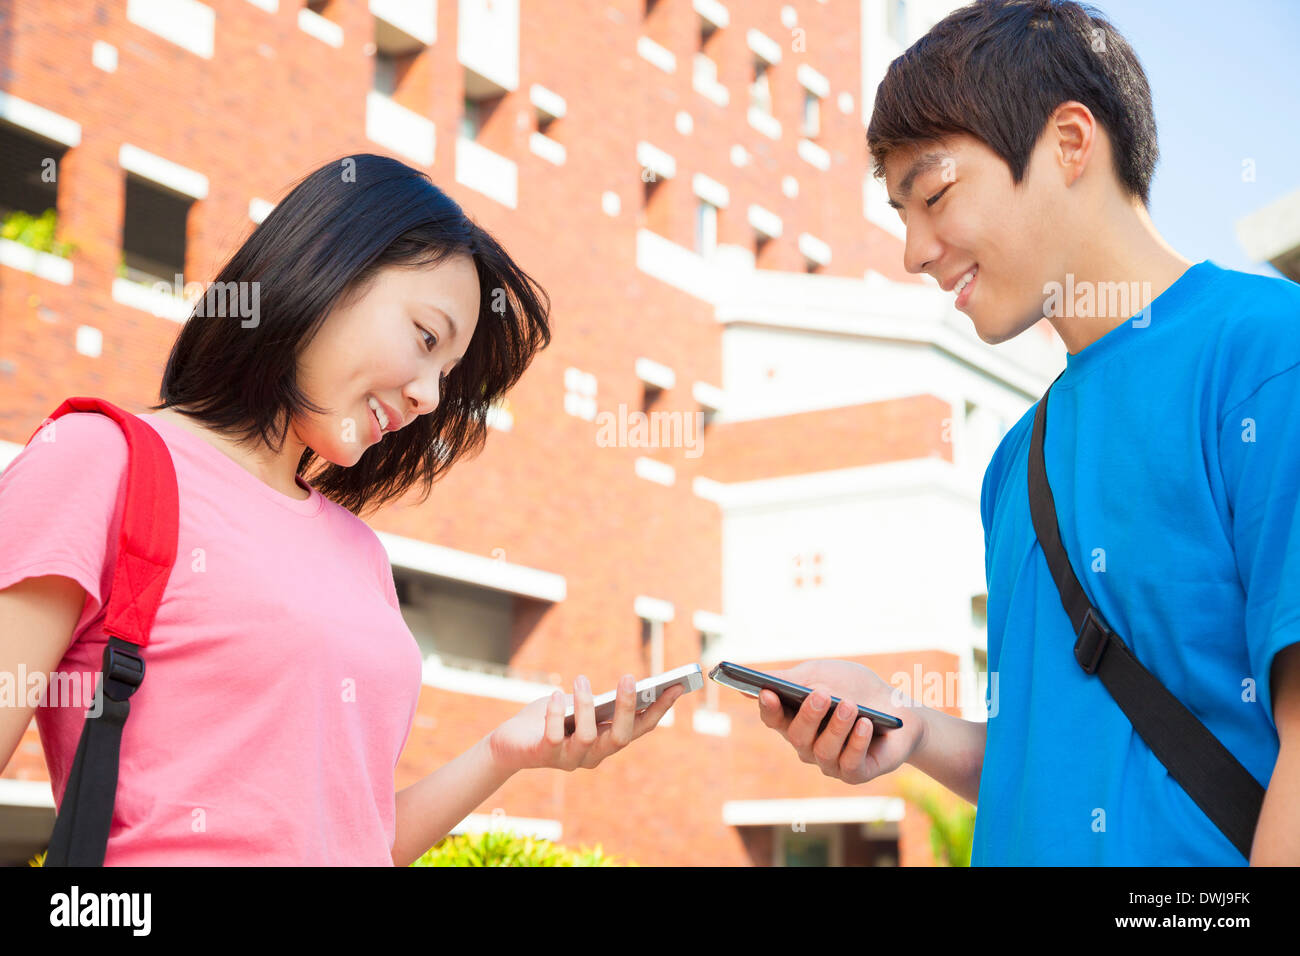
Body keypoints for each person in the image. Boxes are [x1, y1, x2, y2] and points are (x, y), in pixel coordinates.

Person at [0, 153, 682, 866]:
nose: (429, 397)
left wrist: (503, 754)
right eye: (425, 339)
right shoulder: (97, 460)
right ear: (324, 271)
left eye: (446, 376)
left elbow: (353, 840)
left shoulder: (359, 553)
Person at [755, 0, 1300, 865]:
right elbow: (1052, 756)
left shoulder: (1269, 354)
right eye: (900, 212)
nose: (913, 250)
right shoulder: (1016, 459)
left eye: (932, 195)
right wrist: (911, 729)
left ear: (1070, 144)